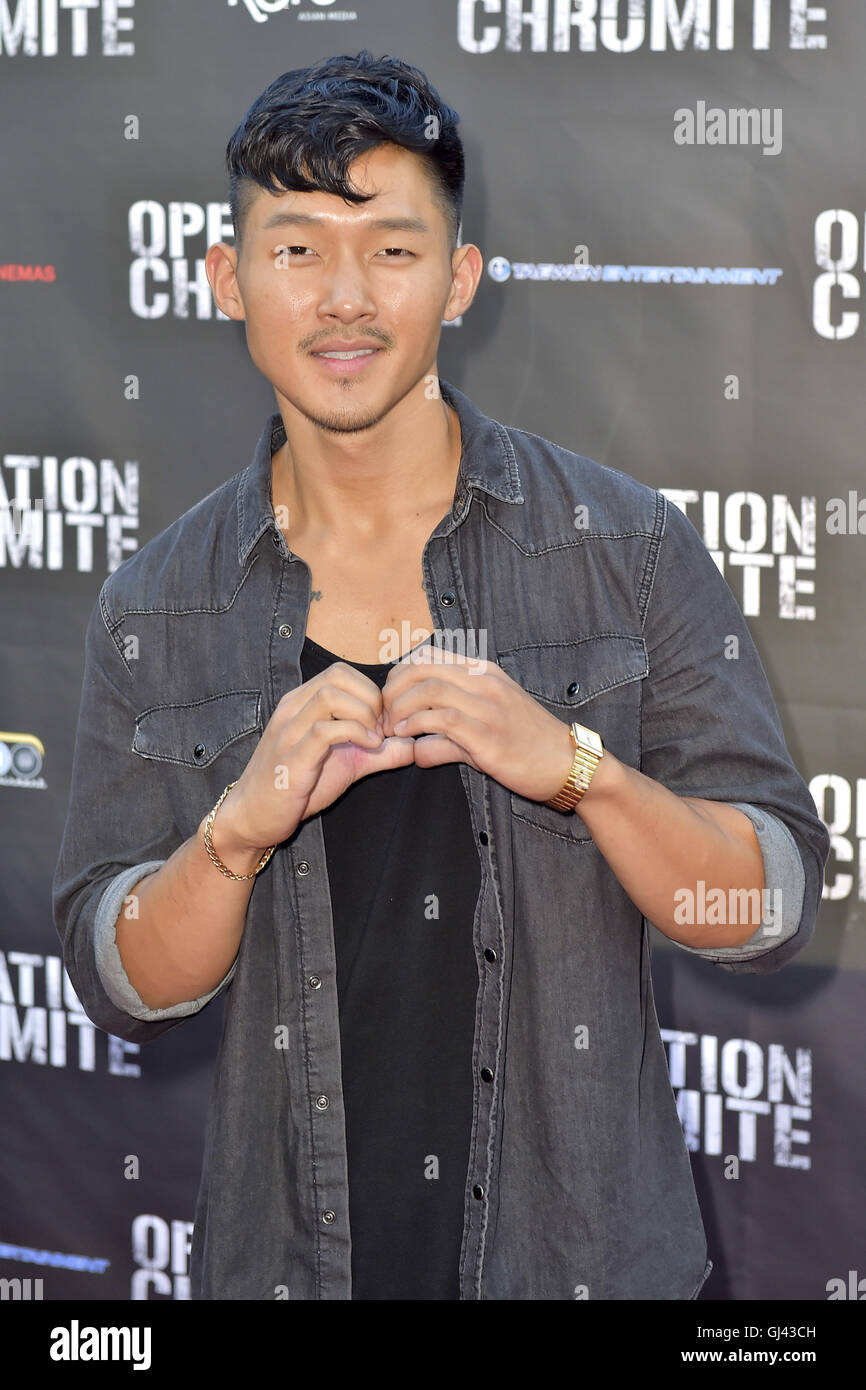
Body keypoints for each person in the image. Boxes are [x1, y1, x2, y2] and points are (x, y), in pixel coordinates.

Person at [52, 50, 829, 1301]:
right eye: (296, 249)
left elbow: (769, 910)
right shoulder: (157, 602)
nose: (343, 298)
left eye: (393, 251)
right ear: (225, 281)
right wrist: (231, 839)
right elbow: (120, 981)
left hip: (575, 1267)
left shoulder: (621, 548)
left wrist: (579, 772)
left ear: (458, 279)